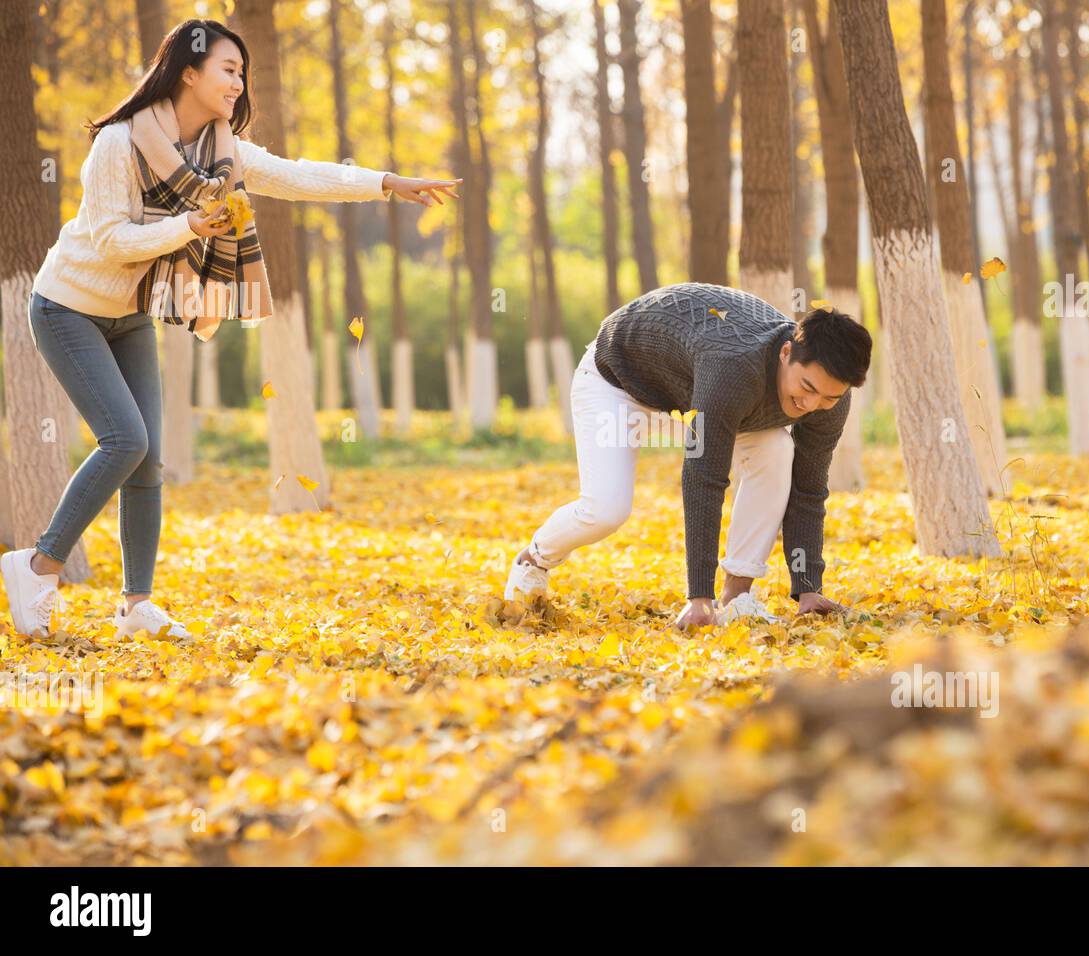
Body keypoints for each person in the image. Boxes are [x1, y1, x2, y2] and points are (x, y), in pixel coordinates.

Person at [2, 18, 460, 639]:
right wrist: (191, 227)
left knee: (149, 459)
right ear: (187, 72)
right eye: (228, 69)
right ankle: (37, 565)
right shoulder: (119, 143)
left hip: (131, 312)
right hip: (68, 307)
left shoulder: (219, 150)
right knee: (125, 440)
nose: (238, 84)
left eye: (242, 72)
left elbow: (298, 175)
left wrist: (385, 183)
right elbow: (110, 242)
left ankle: (136, 606)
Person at [504, 282, 873, 629]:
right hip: (618, 381)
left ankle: (737, 596)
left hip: (692, 393)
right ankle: (534, 558)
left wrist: (808, 586)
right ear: (786, 352)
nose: (811, 404)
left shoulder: (828, 399)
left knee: (777, 450)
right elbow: (704, 476)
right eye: (806, 387)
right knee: (606, 509)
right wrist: (698, 597)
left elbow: (808, 488)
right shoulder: (732, 366)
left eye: (829, 397)